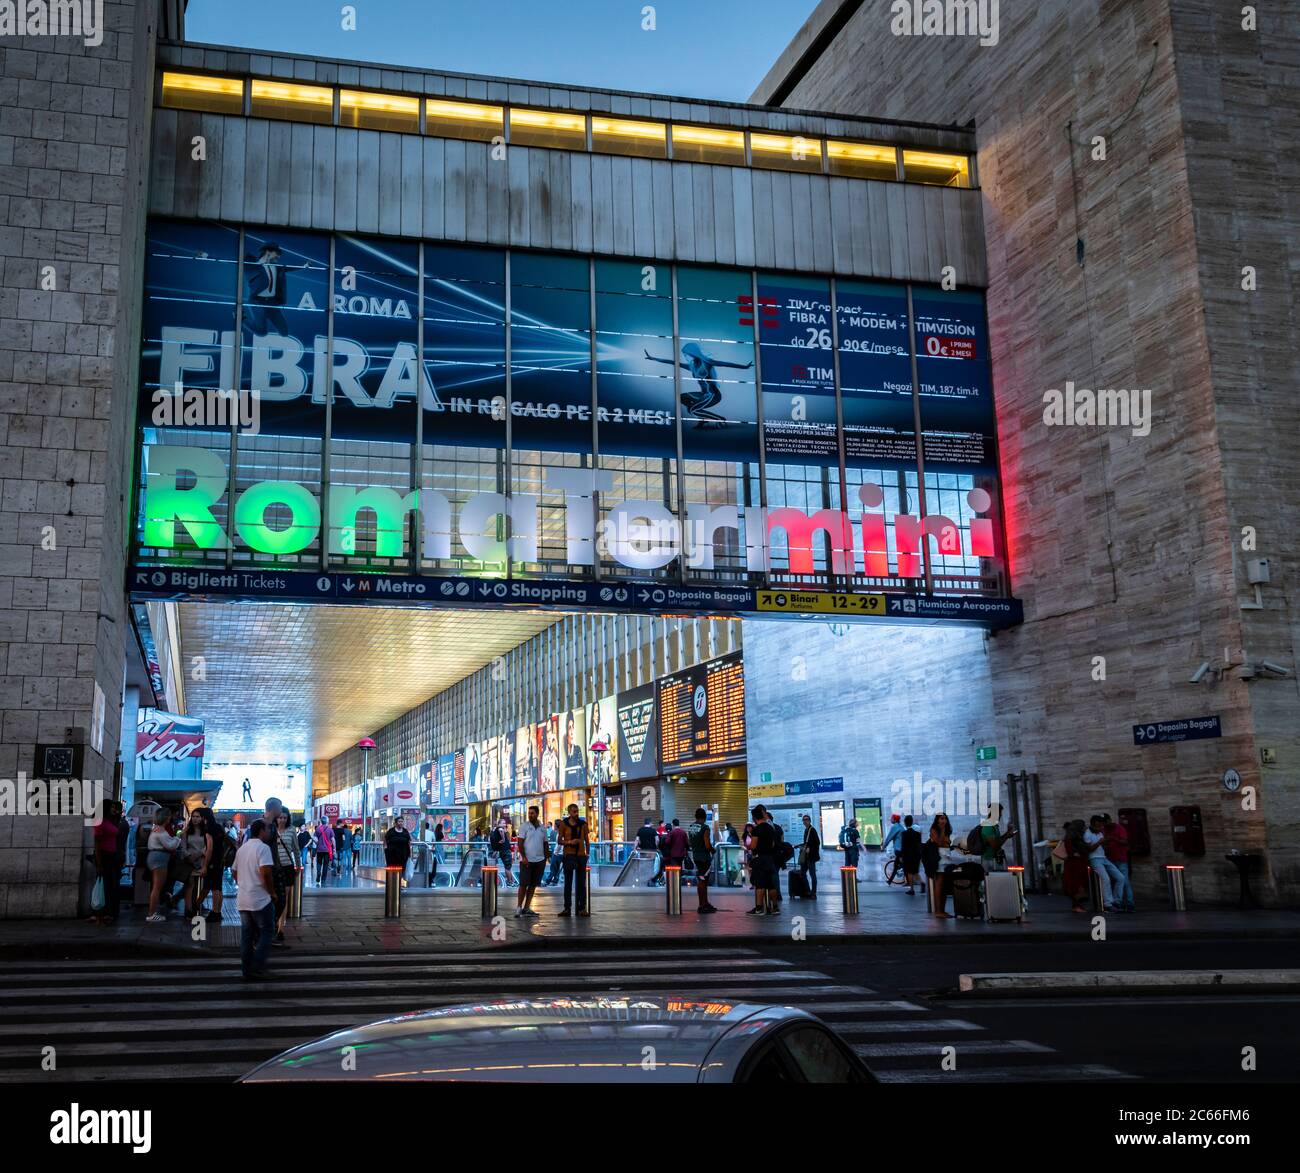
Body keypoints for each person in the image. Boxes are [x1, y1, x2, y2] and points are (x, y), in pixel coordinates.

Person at [233, 819, 276, 980]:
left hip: (243, 899)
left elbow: (234, 871)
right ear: (261, 831)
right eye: (268, 829)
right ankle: (257, 966)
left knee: (247, 935)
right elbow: (266, 873)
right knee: (267, 932)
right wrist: (271, 892)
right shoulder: (263, 848)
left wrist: (244, 884)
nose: (270, 832)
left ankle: (246, 969)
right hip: (260, 899)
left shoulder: (242, 849)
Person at [90, 800, 123, 925]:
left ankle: (106, 913)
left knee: (110, 885)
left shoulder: (110, 821)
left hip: (112, 855)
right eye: (112, 807)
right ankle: (100, 914)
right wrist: (99, 863)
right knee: (104, 885)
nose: (114, 809)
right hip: (104, 855)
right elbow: (97, 843)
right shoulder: (100, 822)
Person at [144, 811, 181, 922]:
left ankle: (152, 912)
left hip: (155, 857)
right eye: (169, 817)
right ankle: (151, 914)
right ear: (165, 818)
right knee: (157, 888)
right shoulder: (160, 830)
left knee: (156, 887)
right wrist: (178, 836)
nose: (170, 819)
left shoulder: (157, 829)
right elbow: (170, 845)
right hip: (159, 858)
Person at [515, 805, 549, 918]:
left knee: (533, 885)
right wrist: (523, 857)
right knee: (523, 884)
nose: (530, 815)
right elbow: (520, 843)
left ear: (537, 814)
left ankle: (527, 907)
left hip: (539, 860)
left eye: (532, 813)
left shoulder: (543, 828)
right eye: (529, 813)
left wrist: (545, 858)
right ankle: (519, 907)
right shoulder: (524, 826)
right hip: (527, 861)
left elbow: (545, 843)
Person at [747, 806, 780, 914]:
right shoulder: (771, 828)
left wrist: (751, 844)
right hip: (770, 859)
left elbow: (753, 846)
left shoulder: (756, 829)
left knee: (760, 884)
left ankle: (759, 908)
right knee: (771, 884)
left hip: (761, 859)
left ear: (754, 817)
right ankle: (775, 908)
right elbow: (773, 844)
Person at [557, 803, 588, 916]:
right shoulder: (563, 824)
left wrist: (587, 854)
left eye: (577, 811)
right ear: (569, 812)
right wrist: (570, 842)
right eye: (574, 811)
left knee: (581, 883)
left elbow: (587, 840)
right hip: (568, 855)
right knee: (568, 883)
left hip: (581, 855)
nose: (576, 813)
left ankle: (582, 908)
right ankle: (567, 908)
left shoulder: (583, 824)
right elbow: (559, 841)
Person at [1083, 815, 1119, 911]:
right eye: (1099, 826)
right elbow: (1089, 849)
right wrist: (1099, 842)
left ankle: (1116, 901)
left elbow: (1102, 846)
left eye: (1102, 825)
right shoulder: (1087, 834)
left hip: (1103, 857)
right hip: (1094, 859)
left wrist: (1106, 842)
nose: (1101, 828)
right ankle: (1108, 903)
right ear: (1094, 824)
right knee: (1105, 879)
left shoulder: (1099, 833)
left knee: (1120, 877)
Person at [1101, 813, 1135, 911]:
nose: (1104, 824)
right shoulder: (1103, 830)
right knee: (1114, 881)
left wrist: (1113, 839)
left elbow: (1125, 841)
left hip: (1121, 858)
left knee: (1125, 881)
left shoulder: (1119, 828)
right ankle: (1117, 902)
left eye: (1105, 821)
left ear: (1109, 820)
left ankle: (1130, 903)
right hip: (1110, 859)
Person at [687, 808, 717, 914]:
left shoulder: (691, 827)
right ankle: (702, 904)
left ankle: (705, 903)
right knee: (703, 881)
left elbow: (690, 843)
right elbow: (707, 844)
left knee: (701, 879)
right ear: (704, 817)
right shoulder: (705, 828)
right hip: (704, 857)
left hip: (696, 857)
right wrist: (713, 850)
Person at [921, 818, 951, 916]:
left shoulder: (947, 829)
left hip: (946, 857)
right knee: (939, 883)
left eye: (945, 818)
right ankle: (938, 911)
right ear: (937, 820)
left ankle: (942, 909)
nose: (944, 820)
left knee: (945, 885)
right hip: (939, 858)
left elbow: (946, 842)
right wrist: (942, 829)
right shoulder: (934, 829)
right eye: (941, 818)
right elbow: (939, 842)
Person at [1060, 820, 1091, 913]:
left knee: (1077, 884)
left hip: (1077, 863)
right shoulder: (1071, 838)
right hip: (1075, 864)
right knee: (1077, 884)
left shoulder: (1076, 837)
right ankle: (1077, 905)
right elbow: (1070, 852)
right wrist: (1077, 854)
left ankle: (1077, 905)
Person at [798, 813, 821, 898]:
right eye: (804, 820)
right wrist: (800, 846)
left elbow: (817, 842)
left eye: (807, 819)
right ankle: (808, 891)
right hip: (806, 856)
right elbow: (807, 842)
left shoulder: (812, 830)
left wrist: (810, 848)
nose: (805, 821)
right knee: (802, 873)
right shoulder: (806, 830)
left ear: (810, 820)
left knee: (812, 874)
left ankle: (813, 893)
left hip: (811, 856)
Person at [489, 816, 516, 886]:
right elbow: (501, 830)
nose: (504, 824)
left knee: (508, 867)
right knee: (508, 868)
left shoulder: (495, 830)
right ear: (499, 823)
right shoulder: (500, 829)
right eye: (503, 823)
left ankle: (512, 880)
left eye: (505, 823)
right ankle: (510, 882)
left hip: (502, 850)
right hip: (506, 851)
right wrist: (504, 839)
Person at [899, 815, 923, 894]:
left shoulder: (904, 834)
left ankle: (912, 889)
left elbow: (903, 846)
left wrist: (901, 856)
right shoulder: (917, 834)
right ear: (912, 822)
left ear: (905, 823)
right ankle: (922, 883)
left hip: (908, 855)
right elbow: (919, 845)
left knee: (909, 872)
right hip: (916, 855)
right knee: (915, 872)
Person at [384, 816, 412, 881]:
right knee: (393, 868)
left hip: (403, 854)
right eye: (399, 821)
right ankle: (392, 883)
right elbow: (385, 840)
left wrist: (410, 852)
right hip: (392, 855)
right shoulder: (391, 831)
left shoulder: (405, 831)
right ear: (396, 823)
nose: (401, 823)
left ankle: (398, 883)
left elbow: (409, 841)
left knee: (402, 869)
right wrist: (385, 849)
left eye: (402, 821)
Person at [881, 812, 904, 878]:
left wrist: (883, 847)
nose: (890, 819)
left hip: (898, 849)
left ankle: (902, 873)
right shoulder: (900, 826)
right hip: (902, 848)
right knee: (897, 865)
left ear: (895, 819)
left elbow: (889, 838)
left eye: (891, 818)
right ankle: (890, 880)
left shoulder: (895, 827)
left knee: (898, 865)